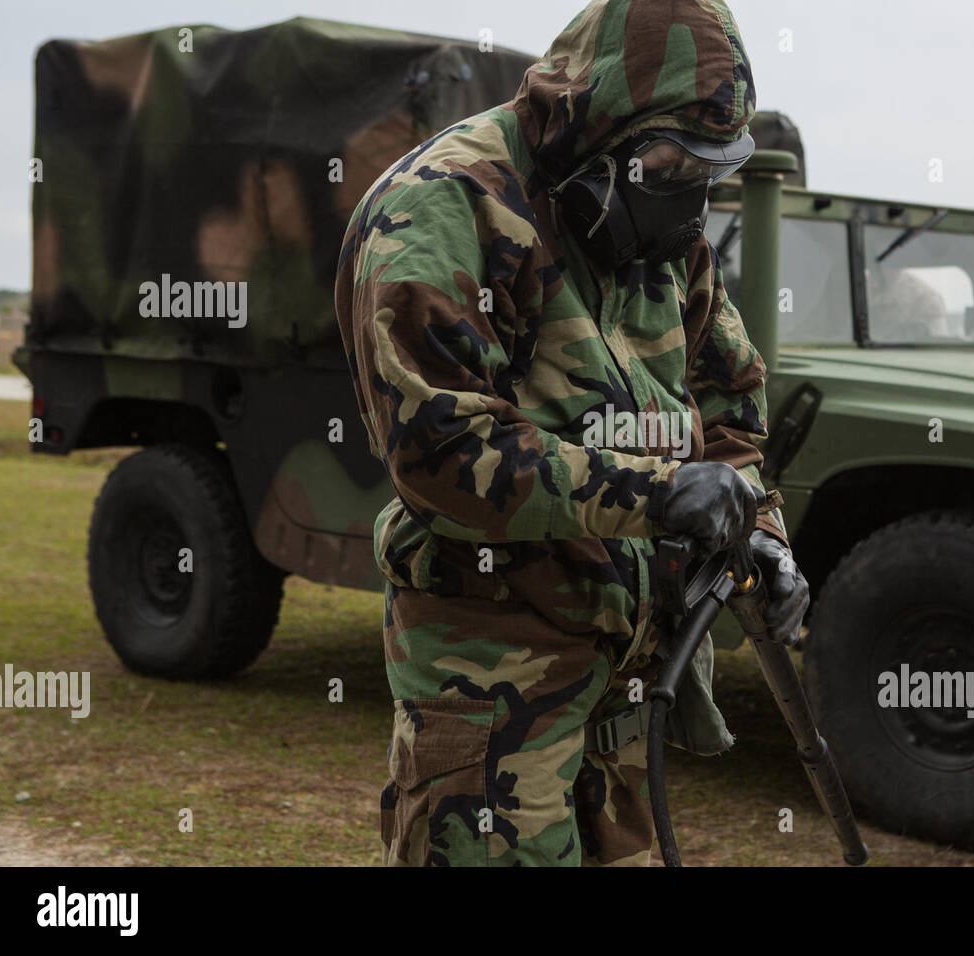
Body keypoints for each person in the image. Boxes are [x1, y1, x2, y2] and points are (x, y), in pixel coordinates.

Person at [334, 0, 809, 866]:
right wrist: (662, 495)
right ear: (603, 131)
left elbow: (731, 403)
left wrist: (761, 533)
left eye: (713, 171)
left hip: (625, 668)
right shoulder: (442, 210)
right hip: (491, 675)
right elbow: (442, 453)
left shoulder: (663, 224)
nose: (693, 202)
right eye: (674, 167)